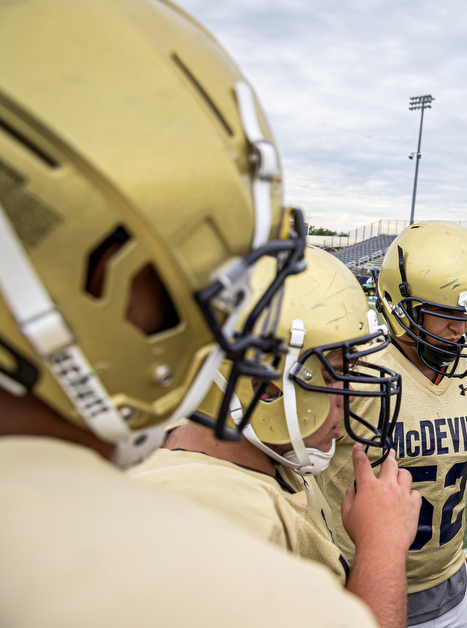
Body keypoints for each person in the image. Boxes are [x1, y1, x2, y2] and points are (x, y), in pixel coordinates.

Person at [0, 1, 385, 625]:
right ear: (101, 271)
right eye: (210, 276)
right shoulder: (204, 554)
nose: (214, 325)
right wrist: (383, 552)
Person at [129, 248, 420, 628]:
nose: (350, 396)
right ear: (266, 390)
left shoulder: (254, 450)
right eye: (334, 376)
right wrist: (382, 546)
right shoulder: (227, 520)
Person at [318, 221, 467, 628]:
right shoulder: (354, 374)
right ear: (400, 305)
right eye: (446, 314)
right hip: (351, 578)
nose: (462, 330)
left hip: (448, 584)